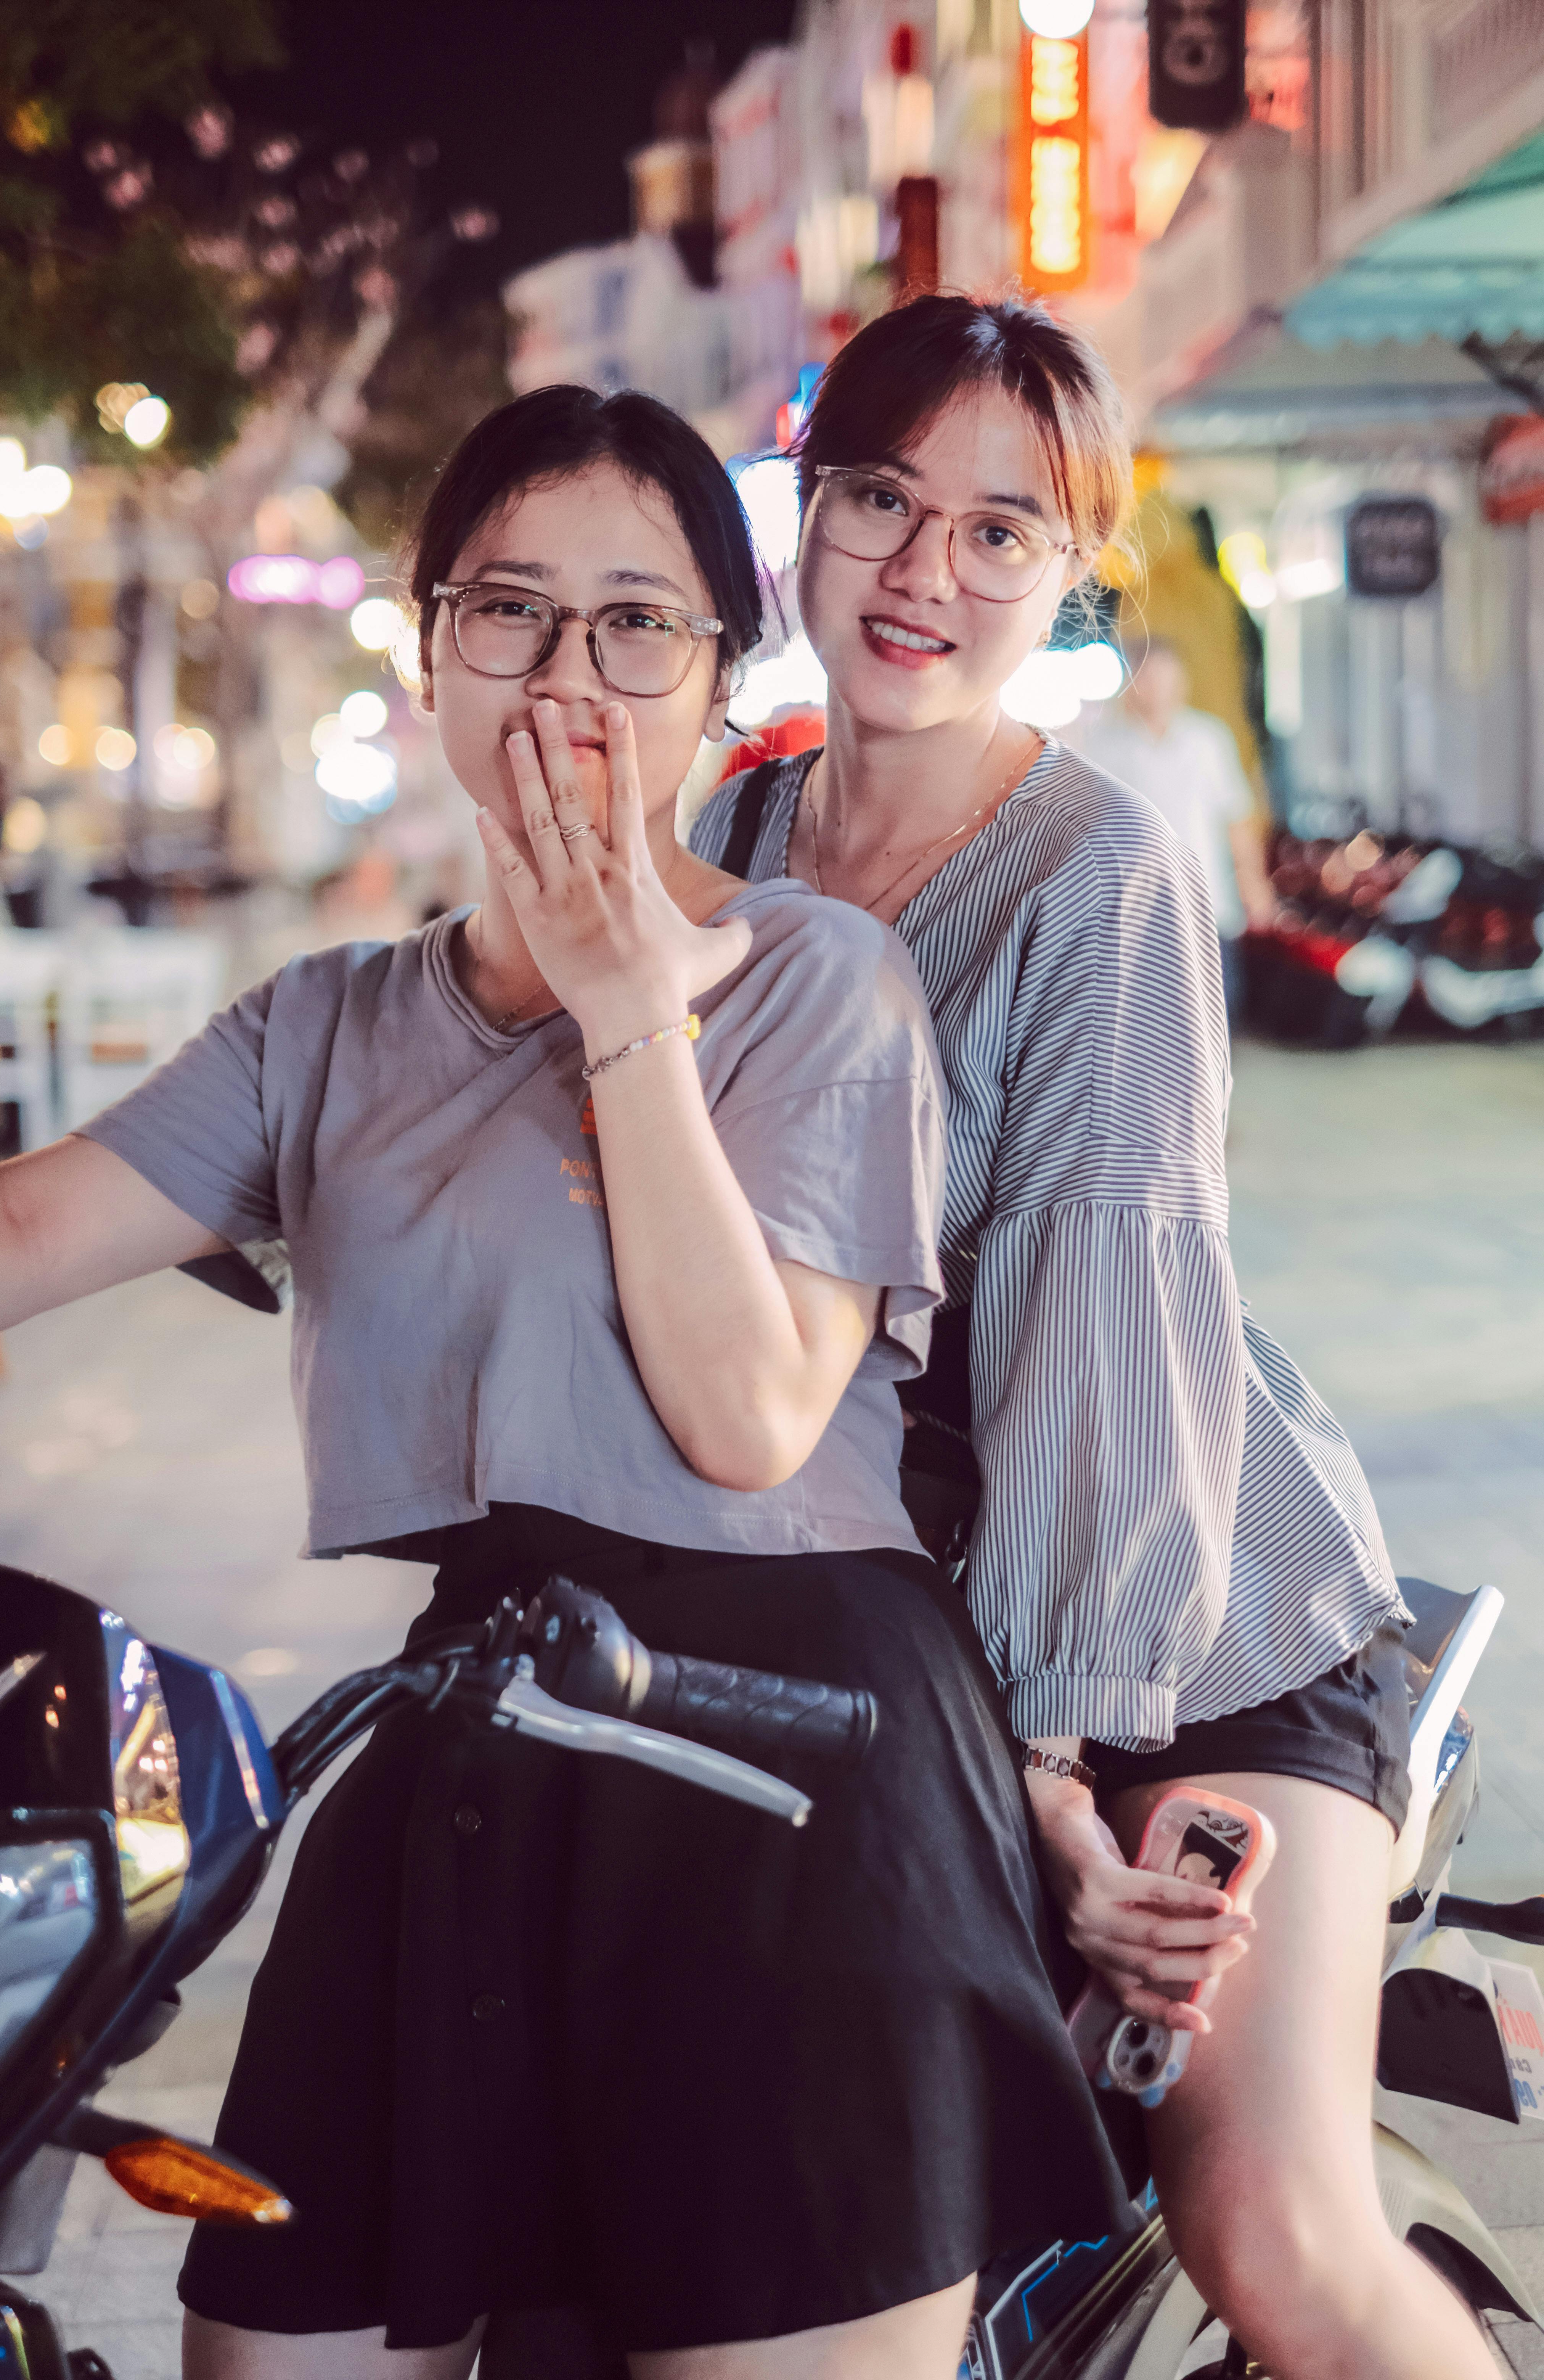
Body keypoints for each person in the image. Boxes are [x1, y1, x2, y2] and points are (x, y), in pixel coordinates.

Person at [0, 383, 1133, 2380]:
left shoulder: (819, 980)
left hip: (790, 1765)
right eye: (509, 611)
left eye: (637, 624)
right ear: (430, 652)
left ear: (721, 682)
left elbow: (750, 1417)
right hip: (475, 1739)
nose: (569, 675)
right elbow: (7, 1231)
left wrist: (623, 1010)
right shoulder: (328, 1025)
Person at [693, 293, 1492, 2380]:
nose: (923, 571)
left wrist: (1052, 1767)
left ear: (1068, 573)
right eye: (883, 501)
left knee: (1272, 2228)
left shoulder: (1098, 874)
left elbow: (1106, 1345)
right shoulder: (733, 845)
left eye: (998, 531)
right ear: (807, 514)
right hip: (879, 1638)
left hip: (1181, 1634)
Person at [1075, 637, 1276, 1023]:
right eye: (1149, 678)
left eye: (1168, 679)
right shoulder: (1101, 745)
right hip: (1131, 908)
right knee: (1141, 1017)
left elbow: (1235, 816)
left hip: (1204, 899)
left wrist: (1253, 882)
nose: (1159, 689)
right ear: (1131, 682)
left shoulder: (1207, 740)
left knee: (1213, 1012)